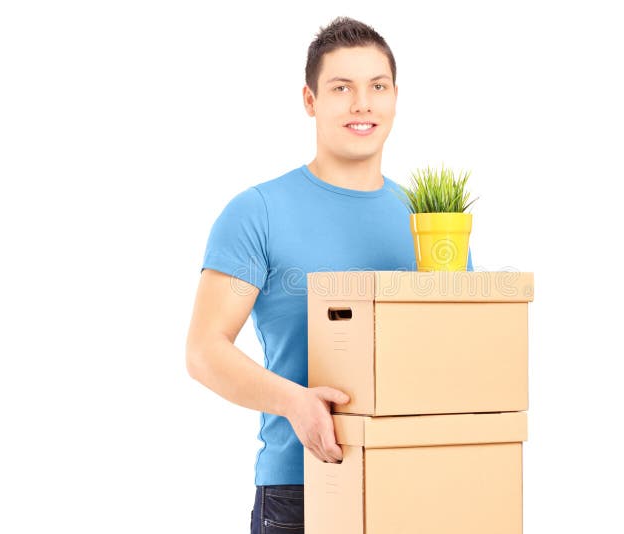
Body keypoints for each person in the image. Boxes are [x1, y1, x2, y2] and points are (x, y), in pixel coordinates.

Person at [185, 16, 473, 534]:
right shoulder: (258, 212)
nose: (362, 103)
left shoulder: (429, 221)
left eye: (376, 87)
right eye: (342, 88)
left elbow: (461, 345)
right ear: (310, 100)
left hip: (424, 476)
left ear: (394, 97)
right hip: (305, 486)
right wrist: (294, 403)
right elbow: (205, 350)